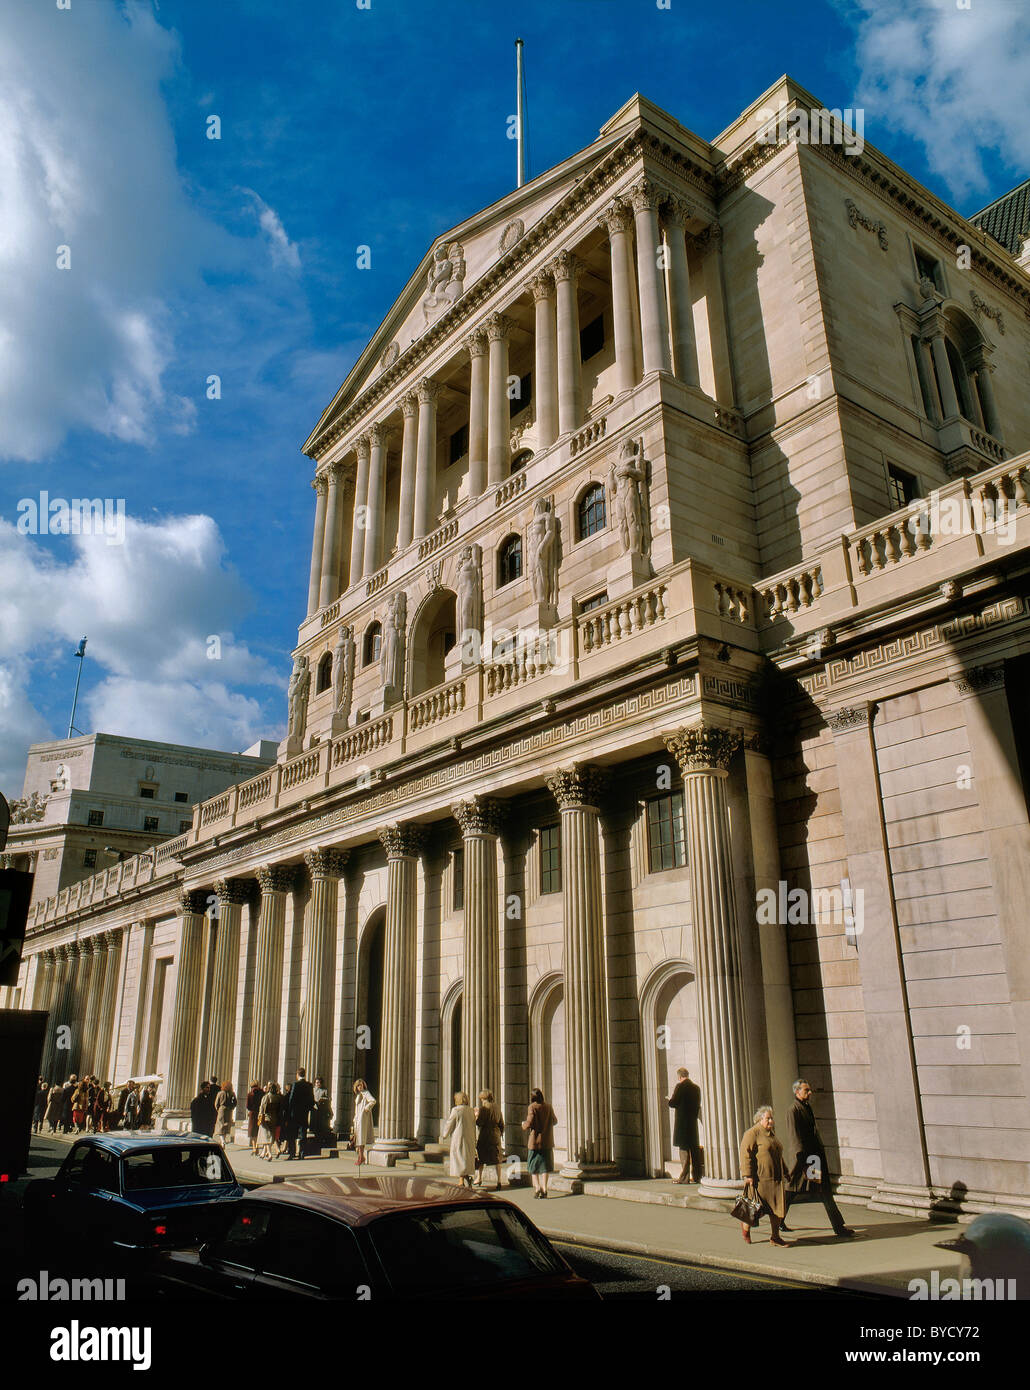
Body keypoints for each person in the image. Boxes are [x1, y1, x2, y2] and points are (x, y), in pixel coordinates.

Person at [782, 1079, 855, 1238]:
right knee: (792, 1191)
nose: (810, 1093)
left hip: (813, 1158)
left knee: (824, 1192)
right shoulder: (793, 1110)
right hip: (804, 1160)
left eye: (809, 1090)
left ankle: (839, 1227)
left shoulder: (806, 1107)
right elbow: (795, 1138)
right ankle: (777, 1219)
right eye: (806, 1090)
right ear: (797, 1092)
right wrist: (800, 1161)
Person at [738, 1105, 790, 1248]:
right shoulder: (752, 1133)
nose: (771, 1121)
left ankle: (775, 1237)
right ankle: (745, 1229)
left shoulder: (771, 1134)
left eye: (772, 1118)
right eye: (768, 1118)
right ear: (760, 1119)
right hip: (760, 1180)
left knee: (777, 1210)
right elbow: (745, 1154)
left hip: (775, 1180)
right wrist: (747, 1175)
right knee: (754, 1209)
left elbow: (778, 1156)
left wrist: (786, 1171)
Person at [667, 1067, 703, 1184]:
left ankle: (684, 1178)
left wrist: (669, 1099)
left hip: (682, 1124)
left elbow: (673, 1103)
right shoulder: (696, 1088)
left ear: (679, 1076)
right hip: (692, 1123)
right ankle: (698, 1176)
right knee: (694, 1150)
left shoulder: (680, 1086)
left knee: (684, 1151)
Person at [521, 1087, 557, 1199]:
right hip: (547, 1141)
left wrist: (523, 1125)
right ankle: (545, 1188)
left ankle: (537, 1188)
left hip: (535, 1142)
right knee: (545, 1167)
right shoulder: (548, 1107)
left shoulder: (532, 1107)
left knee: (533, 1166)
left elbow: (529, 1122)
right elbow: (555, 1121)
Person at [441, 1091, 476, 1188]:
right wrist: (474, 1138)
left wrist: (444, 1135)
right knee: (466, 1158)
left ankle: (461, 1180)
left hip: (458, 1137)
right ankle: (466, 1177)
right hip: (469, 1137)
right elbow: (473, 1125)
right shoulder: (471, 1110)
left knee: (459, 1158)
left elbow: (449, 1123)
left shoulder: (456, 1110)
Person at [474, 1089, 505, 1190]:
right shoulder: (497, 1107)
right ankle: (499, 1181)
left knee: (481, 1157)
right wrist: (500, 1133)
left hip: (485, 1135)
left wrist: (476, 1116)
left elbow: (479, 1122)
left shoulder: (484, 1108)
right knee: (497, 1159)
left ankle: (479, 1177)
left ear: (483, 1098)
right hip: (495, 1134)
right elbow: (501, 1123)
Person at [287, 1068, 314, 1159]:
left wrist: (289, 1111)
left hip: (294, 1113)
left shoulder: (295, 1084)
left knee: (292, 1133)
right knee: (303, 1133)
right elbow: (311, 1099)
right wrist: (308, 1109)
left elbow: (291, 1098)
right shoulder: (309, 1085)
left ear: (297, 1075)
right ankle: (302, 1153)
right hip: (304, 1113)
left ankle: (292, 1153)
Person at [352, 1079, 376, 1166]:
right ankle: (360, 1156)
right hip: (358, 1118)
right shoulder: (358, 1095)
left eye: (361, 1085)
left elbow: (373, 1101)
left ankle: (361, 1157)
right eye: (358, 1085)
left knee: (361, 1138)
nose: (359, 1087)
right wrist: (355, 1117)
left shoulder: (366, 1093)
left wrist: (366, 1108)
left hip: (363, 1118)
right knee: (357, 1138)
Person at [257, 1082, 282, 1161]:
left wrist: (260, 1116)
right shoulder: (278, 1097)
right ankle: (265, 1152)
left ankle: (269, 1153)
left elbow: (262, 1107)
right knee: (271, 1134)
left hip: (266, 1117)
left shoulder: (266, 1096)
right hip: (274, 1117)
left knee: (265, 1135)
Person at [214, 1080, 237, 1146]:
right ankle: (223, 1140)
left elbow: (216, 1103)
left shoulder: (220, 1093)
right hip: (229, 1110)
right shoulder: (232, 1093)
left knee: (220, 1125)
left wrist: (218, 1109)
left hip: (222, 1109)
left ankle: (222, 1141)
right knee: (226, 1125)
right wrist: (232, 1107)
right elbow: (235, 1102)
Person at [312, 1077, 333, 1146]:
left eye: (319, 1082)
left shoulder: (324, 1090)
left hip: (322, 1110)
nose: (318, 1084)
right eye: (317, 1082)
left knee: (321, 1126)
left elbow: (328, 1099)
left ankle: (320, 1140)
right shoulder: (313, 1090)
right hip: (314, 1109)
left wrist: (323, 1099)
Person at [246, 1081, 263, 1154]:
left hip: (252, 1114)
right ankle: (257, 1146)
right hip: (260, 1113)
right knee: (258, 1130)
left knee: (252, 1132)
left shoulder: (250, 1094)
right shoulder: (262, 1093)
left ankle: (254, 1148)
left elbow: (247, 1106)